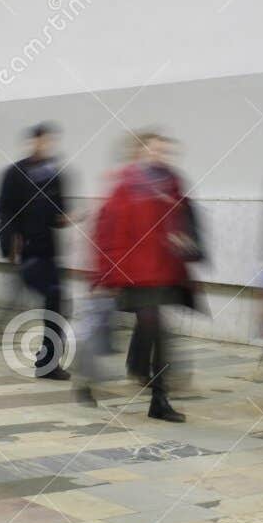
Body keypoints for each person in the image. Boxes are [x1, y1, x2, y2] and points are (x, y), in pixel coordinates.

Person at [90, 132, 202, 422]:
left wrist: (184, 243)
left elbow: (184, 219)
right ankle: (154, 394)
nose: (160, 155)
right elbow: (107, 230)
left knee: (153, 332)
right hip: (135, 275)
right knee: (156, 332)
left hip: (164, 273)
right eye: (154, 150)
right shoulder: (126, 186)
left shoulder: (172, 183)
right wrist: (106, 273)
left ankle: (150, 385)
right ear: (141, 152)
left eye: (165, 150)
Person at [0, 123, 71, 380]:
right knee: (53, 298)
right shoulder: (15, 173)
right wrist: (9, 244)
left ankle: (47, 361)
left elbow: (58, 212)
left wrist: (66, 219)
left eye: (50, 142)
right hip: (27, 250)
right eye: (42, 141)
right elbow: (4, 211)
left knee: (54, 302)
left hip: (48, 250)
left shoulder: (54, 174)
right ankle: (45, 362)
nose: (46, 146)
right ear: (33, 142)